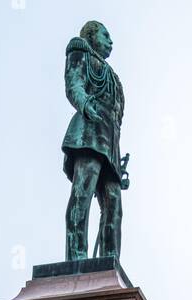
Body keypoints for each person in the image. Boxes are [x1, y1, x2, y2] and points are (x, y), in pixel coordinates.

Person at [62, 21, 128, 260]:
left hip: (110, 144)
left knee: (114, 205)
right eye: (105, 34)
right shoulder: (80, 52)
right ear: (91, 36)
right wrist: (85, 103)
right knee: (82, 192)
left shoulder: (113, 77)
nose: (111, 40)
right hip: (88, 134)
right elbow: (74, 85)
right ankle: (76, 256)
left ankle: (110, 260)